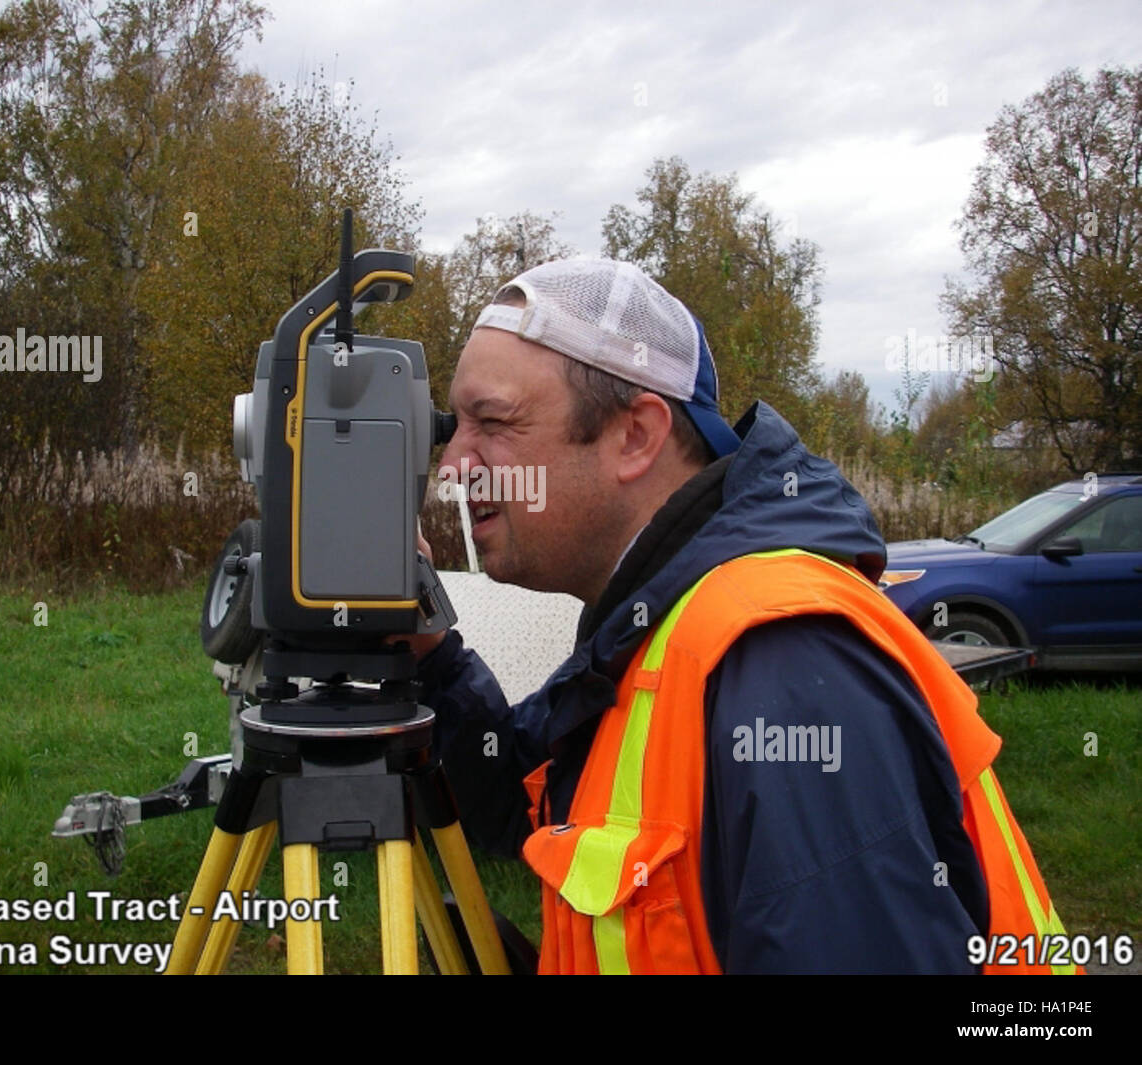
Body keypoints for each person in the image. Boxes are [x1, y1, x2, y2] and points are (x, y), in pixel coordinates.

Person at [408, 258, 1073, 975]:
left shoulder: (777, 657)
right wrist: (429, 649)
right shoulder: (651, 629)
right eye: (456, 425)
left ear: (635, 435)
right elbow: (522, 799)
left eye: (492, 422)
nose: (453, 463)